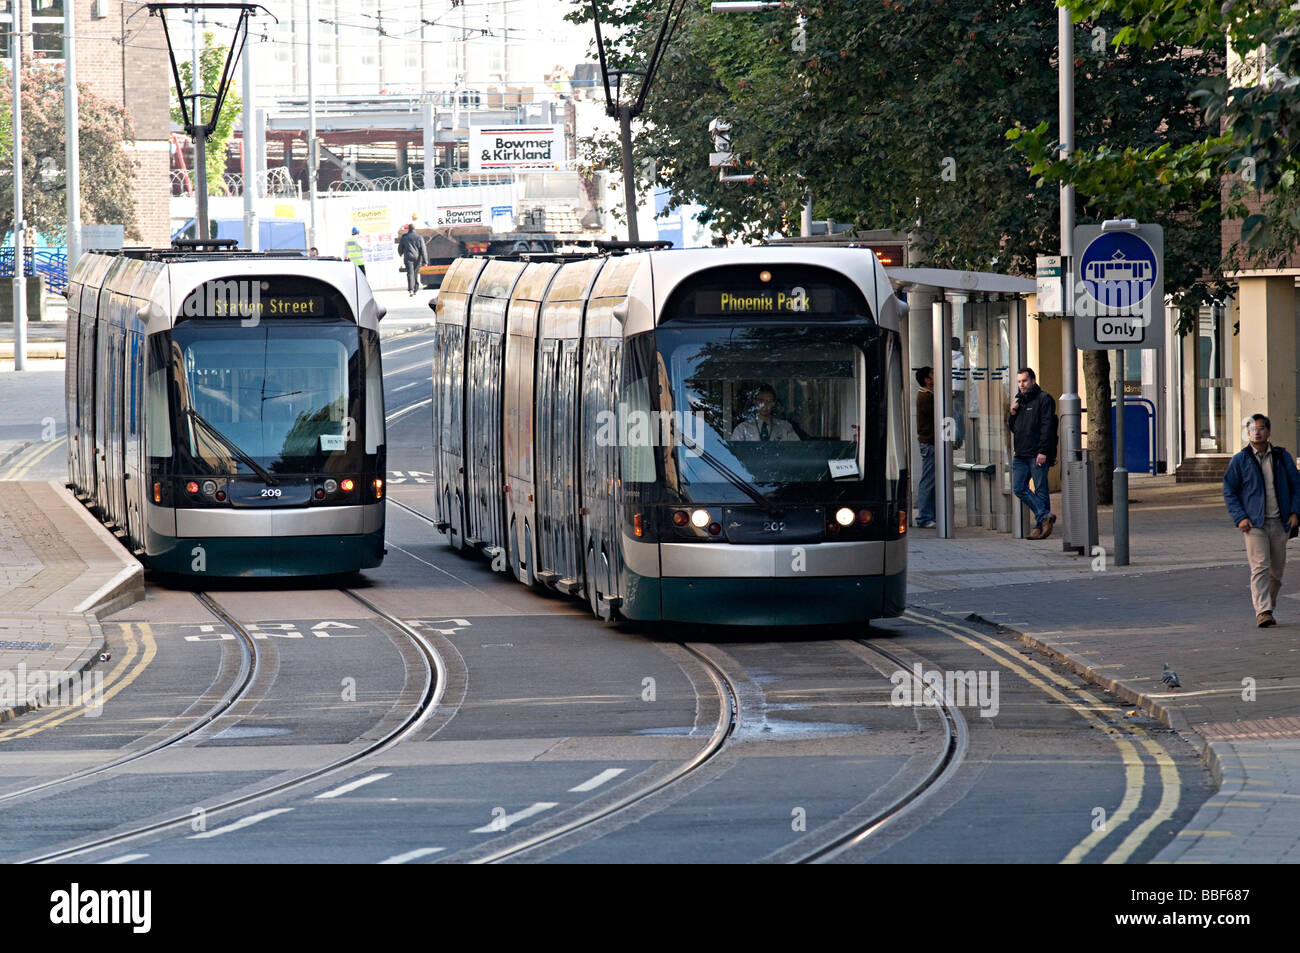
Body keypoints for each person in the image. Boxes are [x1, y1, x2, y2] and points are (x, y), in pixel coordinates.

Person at [1223, 413, 1300, 626]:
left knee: (1276, 571)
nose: (1256, 432)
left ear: (1268, 431)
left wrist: (1295, 512)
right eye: (1252, 429)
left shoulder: (1281, 457)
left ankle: (1268, 606)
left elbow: (1297, 486)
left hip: (1280, 521)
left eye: (1260, 428)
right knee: (1260, 567)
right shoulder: (1241, 460)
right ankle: (1263, 610)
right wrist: (1240, 517)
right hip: (1254, 523)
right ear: (1247, 433)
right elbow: (1229, 490)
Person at [1008, 366, 1058, 539]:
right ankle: (1044, 515)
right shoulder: (1019, 401)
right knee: (1018, 488)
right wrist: (1012, 414)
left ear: (1033, 381)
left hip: (1037, 453)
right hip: (1021, 454)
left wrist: (1043, 451)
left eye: (1025, 381)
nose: (1022, 384)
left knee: (1041, 489)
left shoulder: (1044, 399)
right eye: (1019, 381)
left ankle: (1040, 528)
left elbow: (1047, 427)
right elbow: (1015, 429)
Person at [731, 384, 800, 441]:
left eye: (769, 401)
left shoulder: (785, 427)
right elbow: (734, 454)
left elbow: (796, 449)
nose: (764, 405)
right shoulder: (742, 429)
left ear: (773, 403)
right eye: (761, 401)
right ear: (755, 402)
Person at [914, 366, 936, 528]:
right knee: (928, 481)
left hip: (929, 443)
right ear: (927, 380)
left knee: (932, 481)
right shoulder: (926, 397)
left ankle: (930, 515)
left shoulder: (927, 395)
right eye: (933, 375)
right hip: (930, 444)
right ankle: (924, 516)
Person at [397, 224, 428, 296]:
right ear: (415, 229)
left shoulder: (404, 237)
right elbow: (423, 250)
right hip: (417, 258)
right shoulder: (419, 237)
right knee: (415, 273)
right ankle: (415, 288)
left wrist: (400, 253)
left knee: (410, 273)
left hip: (408, 258)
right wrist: (425, 261)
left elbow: (400, 247)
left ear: (409, 229)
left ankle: (411, 289)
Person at [951, 337, 966, 450]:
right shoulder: (963, 359)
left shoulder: (944, 358)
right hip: (960, 390)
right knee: (958, 416)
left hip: (948, 390)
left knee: (951, 416)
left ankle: (955, 440)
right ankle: (958, 439)